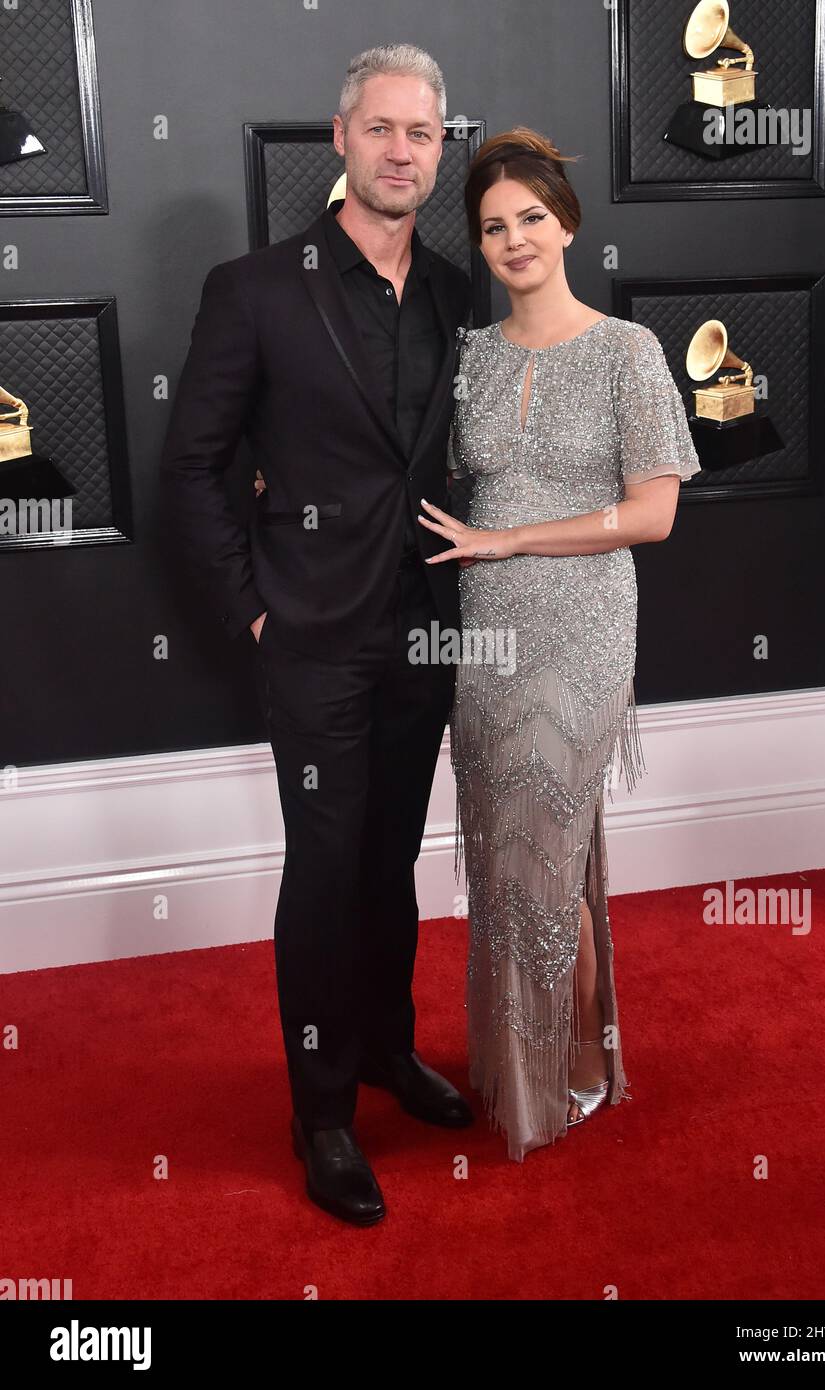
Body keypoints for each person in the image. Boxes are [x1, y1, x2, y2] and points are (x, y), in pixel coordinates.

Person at [161, 44, 475, 1226]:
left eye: (424, 134)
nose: (404, 151)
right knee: (327, 865)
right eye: (383, 129)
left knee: (392, 857)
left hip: (427, 633)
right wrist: (255, 603)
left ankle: (389, 1050)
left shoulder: (455, 290)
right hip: (314, 637)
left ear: (441, 150)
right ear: (340, 139)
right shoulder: (253, 289)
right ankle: (321, 1105)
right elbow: (192, 465)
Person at [416, 128, 702, 1161]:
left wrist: (511, 538)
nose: (514, 239)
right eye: (493, 227)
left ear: (567, 222)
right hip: (486, 640)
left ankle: (572, 1058)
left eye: (530, 217)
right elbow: (419, 480)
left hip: (584, 628)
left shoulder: (629, 353)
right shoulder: (469, 359)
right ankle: (528, 1052)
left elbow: (653, 513)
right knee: (511, 860)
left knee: (542, 858)